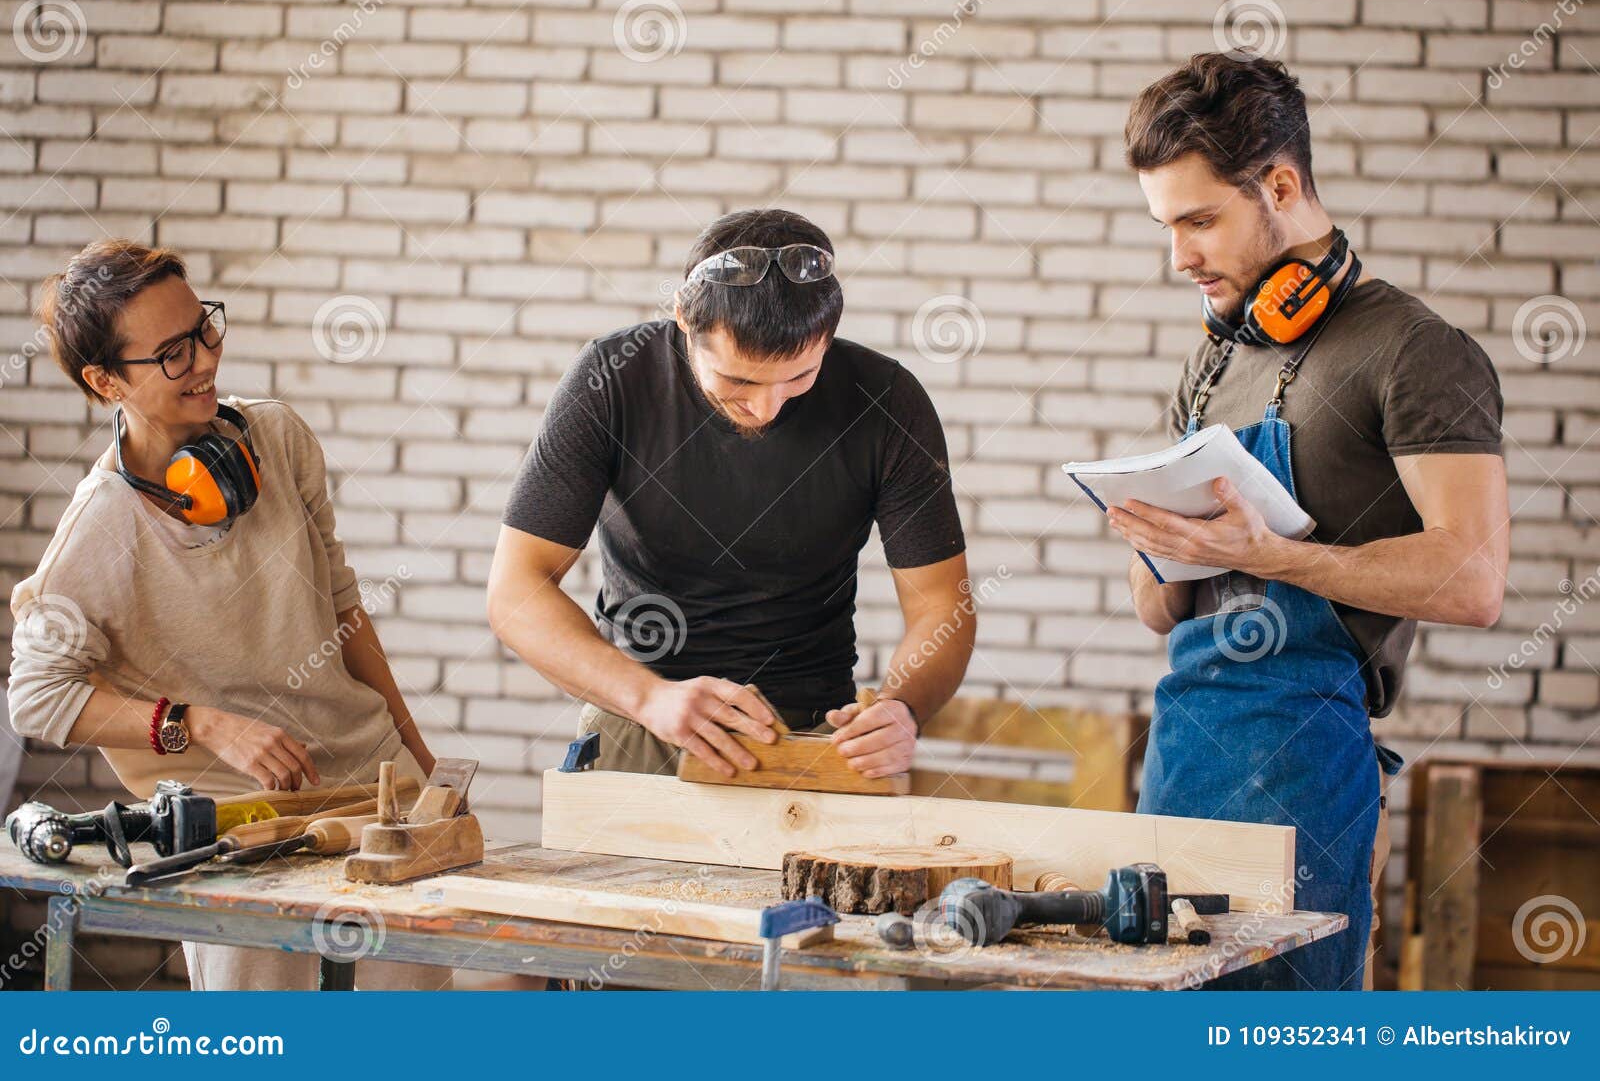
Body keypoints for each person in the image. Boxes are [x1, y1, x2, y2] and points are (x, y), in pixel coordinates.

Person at [1111, 54, 1508, 990]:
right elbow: (1155, 611)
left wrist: (1271, 556)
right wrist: (1166, 546)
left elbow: (1475, 579)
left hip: (1308, 766)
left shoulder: (1414, 351)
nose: (1180, 258)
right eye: (1166, 227)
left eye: (1200, 221)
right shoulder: (1213, 363)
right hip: (1184, 754)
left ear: (1280, 186)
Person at [7, 239, 445, 990]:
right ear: (105, 380)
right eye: (172, 353)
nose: (206, 359)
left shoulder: (276, 437)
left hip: (369, 784)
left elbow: (345, 608)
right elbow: (36, 697)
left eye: (204, 328)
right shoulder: (101, 527)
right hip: (236, 822)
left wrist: (419, 759)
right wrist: (200, 722)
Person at [488, 208, 973, 779]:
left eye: (799, 378)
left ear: (828, 338)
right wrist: (649, 698)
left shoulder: (887, 400)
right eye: (739, 381)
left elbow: (942, 604)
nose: (767, 408)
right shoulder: (611, 381)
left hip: (817, 735)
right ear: (682, 322)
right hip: (641, 721)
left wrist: (902, 707)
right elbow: (516, 592)